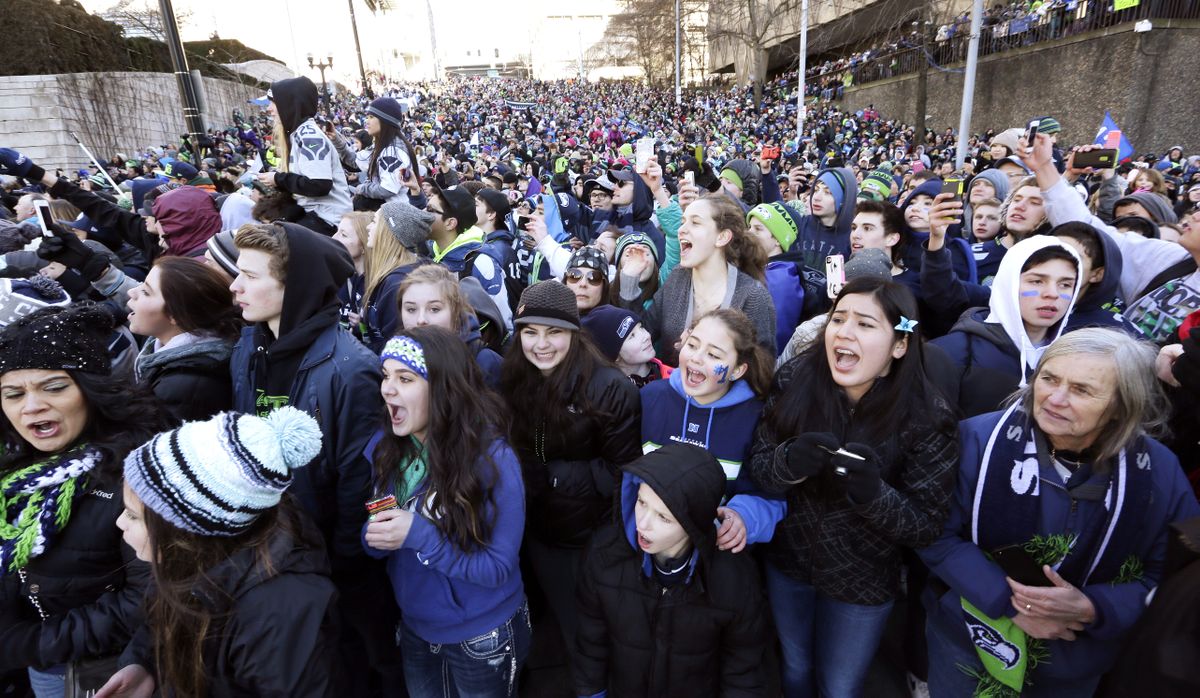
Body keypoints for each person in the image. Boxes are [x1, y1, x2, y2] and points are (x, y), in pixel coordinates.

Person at [919, 328, 1200, 697]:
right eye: (1049, 378)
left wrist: (1091, 607)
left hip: (1073, 665)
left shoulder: (1159, 475)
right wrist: (1008, 603)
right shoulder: (977, 441)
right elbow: (932, 531)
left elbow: (1170, 579)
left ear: (1121, 406)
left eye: (1082, 390)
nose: (1055, 398)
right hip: (969, 642)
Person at [748, 277, 959, 698]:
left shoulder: (928, 416)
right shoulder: (794, 380)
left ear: (899, 344)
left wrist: (873, 495)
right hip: (787, 567)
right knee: (793, 668)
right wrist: (789, 462)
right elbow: (758, 468)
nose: (844, 332)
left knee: (840, 687)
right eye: (838, 318)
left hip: (863, 587)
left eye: (865, 324)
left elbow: (926, 525)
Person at [227, 221, 401, 693]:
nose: (234, 285)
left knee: (362, 657)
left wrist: (342, 562)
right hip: (272, 544)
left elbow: (361, 480)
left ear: (294, 285)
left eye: (250, 276)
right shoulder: (248, 345)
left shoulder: (351, 369)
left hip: (333, 562)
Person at [107, 407, 337, 696]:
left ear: (185, 532)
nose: (119, 523)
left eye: (133, 516)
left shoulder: (280, 612)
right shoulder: (188, 562)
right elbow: (167, 623)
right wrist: (143, 665)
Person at [0, 305, 164, 697]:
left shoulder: (136, 470)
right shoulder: (13, 464)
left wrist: (31, 643)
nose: (32, 406)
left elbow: (149, 597)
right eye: (13, 393)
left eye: (54, 387)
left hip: (90, 671)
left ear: (92, 390)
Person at [364, 327, 529, 697]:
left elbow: (498, 568)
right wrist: (376, 535)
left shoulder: (493, 461)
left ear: (443, 387)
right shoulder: (388, 450)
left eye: (405, 378)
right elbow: (378, 531)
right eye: (386, 376)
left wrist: (419, 535)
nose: (387, 389)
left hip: (481, 637)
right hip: (415, 630)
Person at [499, 280, 640, 662]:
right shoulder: (514, 376)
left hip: (587, 539)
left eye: (554, 332)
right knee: (556, 630)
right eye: (530, 332)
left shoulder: (610, 388)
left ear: (574, 334)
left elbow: (622, 472)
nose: (541, 344)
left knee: (590, 636)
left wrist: (555, 475)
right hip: (534, 531)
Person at [573, 443, 769, 696]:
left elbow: (742, 671)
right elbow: (591, 643)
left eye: (663, 517)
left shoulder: (734, 578)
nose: (642, 524)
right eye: (641, 502)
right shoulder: (604, 554)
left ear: (694, 522)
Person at [641, 309, 785, 552]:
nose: (696, 358)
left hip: (713, 550)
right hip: (648, 540)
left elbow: (770, 494)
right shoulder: (649, 399)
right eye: (692, 345)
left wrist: (743, 518)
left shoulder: (756, 417)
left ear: (738, 370)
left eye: (713, 354)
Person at [933, 237, 1083, 417]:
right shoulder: (948, 353)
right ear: (1008, 282)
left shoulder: (1078, 359)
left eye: (1065, 285)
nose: (1052, 294)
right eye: (1037, 281)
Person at [642, 194, 774, 365]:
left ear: (722, 237)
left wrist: (701, 359)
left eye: (695, 222)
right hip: (670, 389)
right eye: (683, 221)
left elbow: (762, 369)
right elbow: (643, 332)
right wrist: (629, 282)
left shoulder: (753, 297)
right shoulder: (677, 278)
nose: (681, 229)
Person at [127, 257, 242, 424]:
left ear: (176, 315)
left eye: (146, 292)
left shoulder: (187, 388)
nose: (132, 292)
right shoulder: (162, 350)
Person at [255, 77, 352, 234]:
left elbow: (319, 184)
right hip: (316, 215)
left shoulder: (309, 136)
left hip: (328, 220)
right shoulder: (299, 134)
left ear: (290, 104)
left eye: (274, 103)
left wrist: (277, 179)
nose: (269, 109)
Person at [397, 263, 503, 386]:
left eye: (434, 309)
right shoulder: (395, 362)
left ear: (455, 311)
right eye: (411, 309)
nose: (421, 320)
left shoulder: (484, 363)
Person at [360, 199, 434, 353]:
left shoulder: (397, 283)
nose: (368, 227)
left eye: (374, 221)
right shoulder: (397, 273)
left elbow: (395, 346)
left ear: (388, 231)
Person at [351, 97, 421, 210]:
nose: (366, 121)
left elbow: (387, 189)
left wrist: (361, 188)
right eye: (367, 116)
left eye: (371, 117)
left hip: (395, 215)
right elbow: (356, 160)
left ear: (385, 121)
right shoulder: (383, 145)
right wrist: (337, 141)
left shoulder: (393, 150)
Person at [579, 304, 671, 387]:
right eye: (632, 336)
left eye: (641, 327)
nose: (646, 336)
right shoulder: (612, 396)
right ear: (615, 355)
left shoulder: (674, 379)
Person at [333, 211, 372, 332]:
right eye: (337, 231)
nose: (334, 238)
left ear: (364, 245)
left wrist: (364, 327)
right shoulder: (339, 274)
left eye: (343, 235)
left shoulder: (380, 284)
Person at [562, 245, 610, 317]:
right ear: (565, 282)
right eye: (574, 276)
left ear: (604, 287)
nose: (583, 284)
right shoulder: (548, 317)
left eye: (594, 277)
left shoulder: (615, 322)